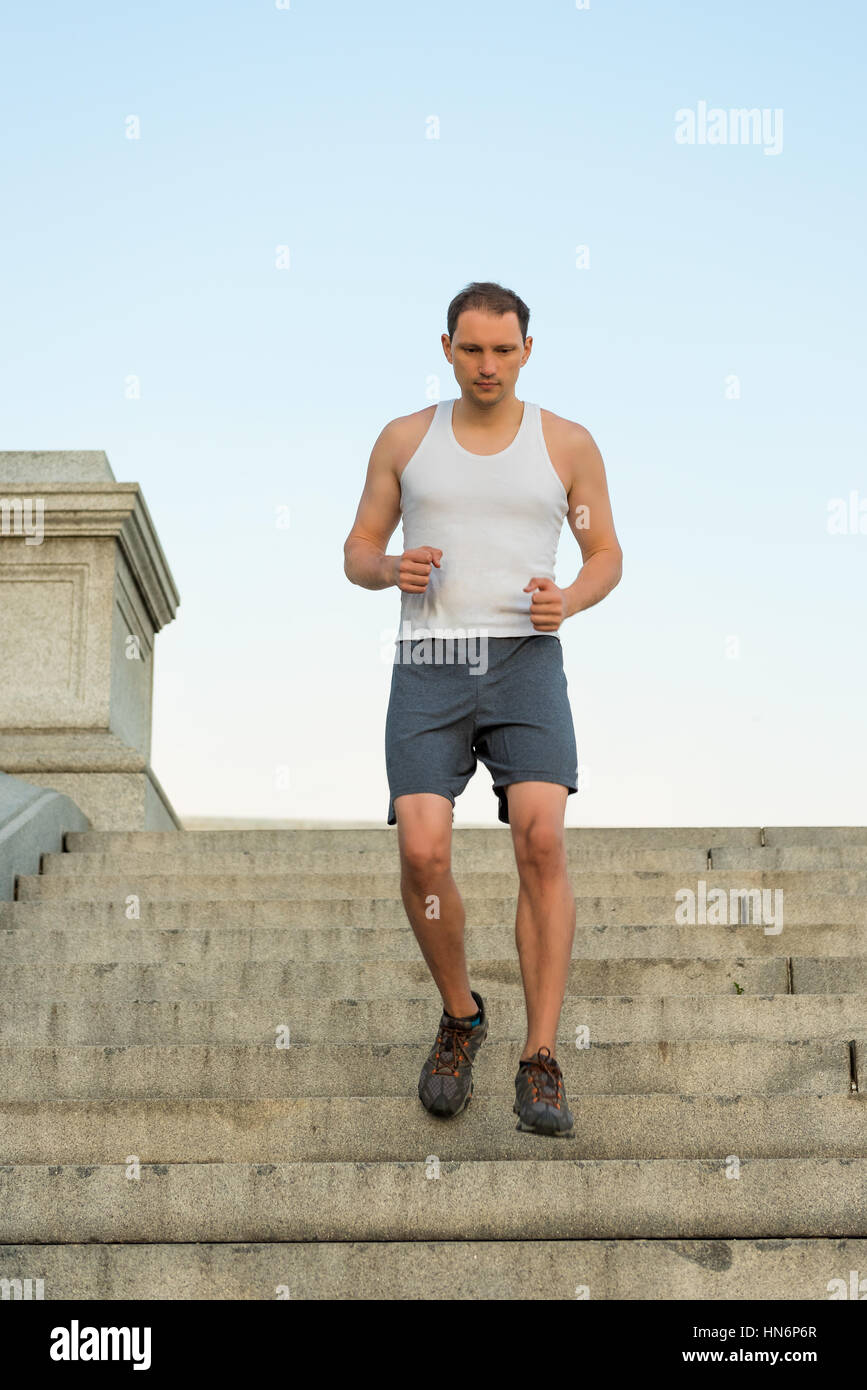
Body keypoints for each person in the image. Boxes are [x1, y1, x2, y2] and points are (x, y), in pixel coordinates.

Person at [343, 281, 622, 1136]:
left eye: (503, 350)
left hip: (525, 661)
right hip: (429, 662)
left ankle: (539, 1057)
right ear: (446, 348)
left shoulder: (566, 442)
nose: (487, 365)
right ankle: (462, 1017)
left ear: (526, 351)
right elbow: (357, 549)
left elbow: (605, 554)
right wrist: (388, 569)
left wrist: (570, 598)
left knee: (541, 837)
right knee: (422, 850)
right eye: (471, 349)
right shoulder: (405, 438)